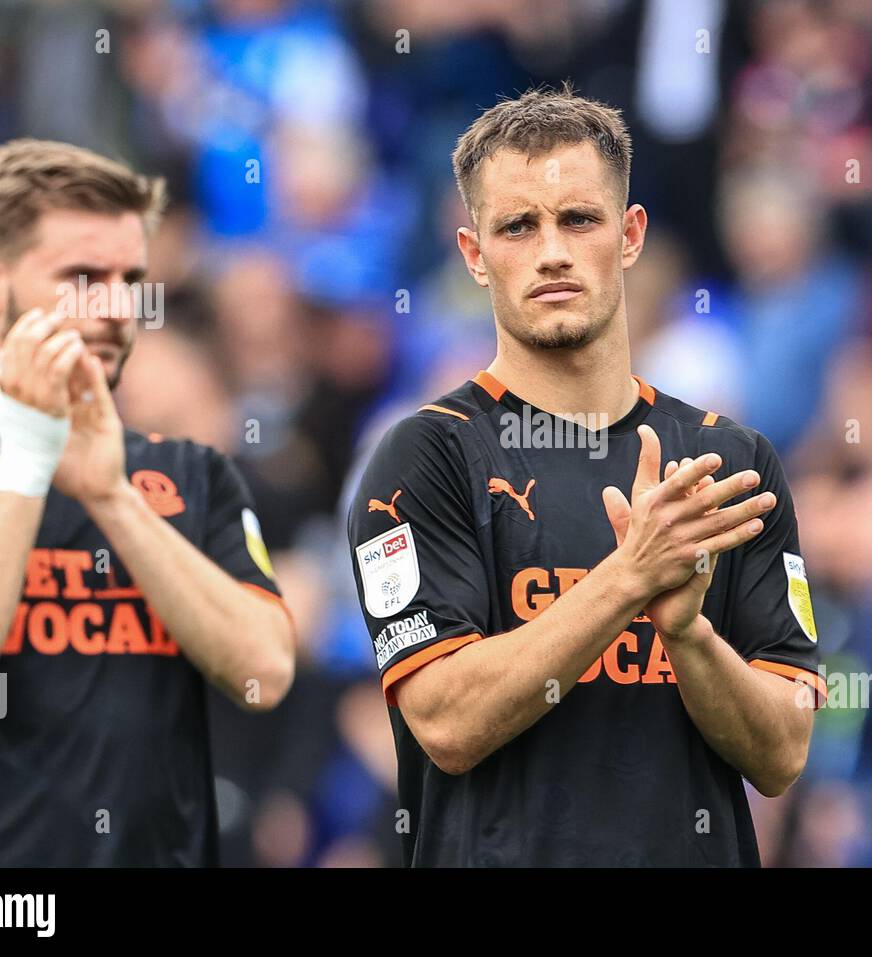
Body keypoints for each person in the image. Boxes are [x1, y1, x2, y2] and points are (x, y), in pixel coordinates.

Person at [347, 86, 820, 867]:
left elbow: (781, 753)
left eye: (579, 219)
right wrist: (629, 580)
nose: (553, 252)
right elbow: (448, 724)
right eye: (518, 226)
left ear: (630, 234)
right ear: (474, 254)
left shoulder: (729, 463)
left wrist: (688, 633)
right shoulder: (424, 458)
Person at [0, 139, 296, 865]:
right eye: (83, 277)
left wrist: (112, 495)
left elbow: (264, 671)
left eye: (130, 279)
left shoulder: (192, 473)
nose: (119, 308)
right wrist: (27, 454)